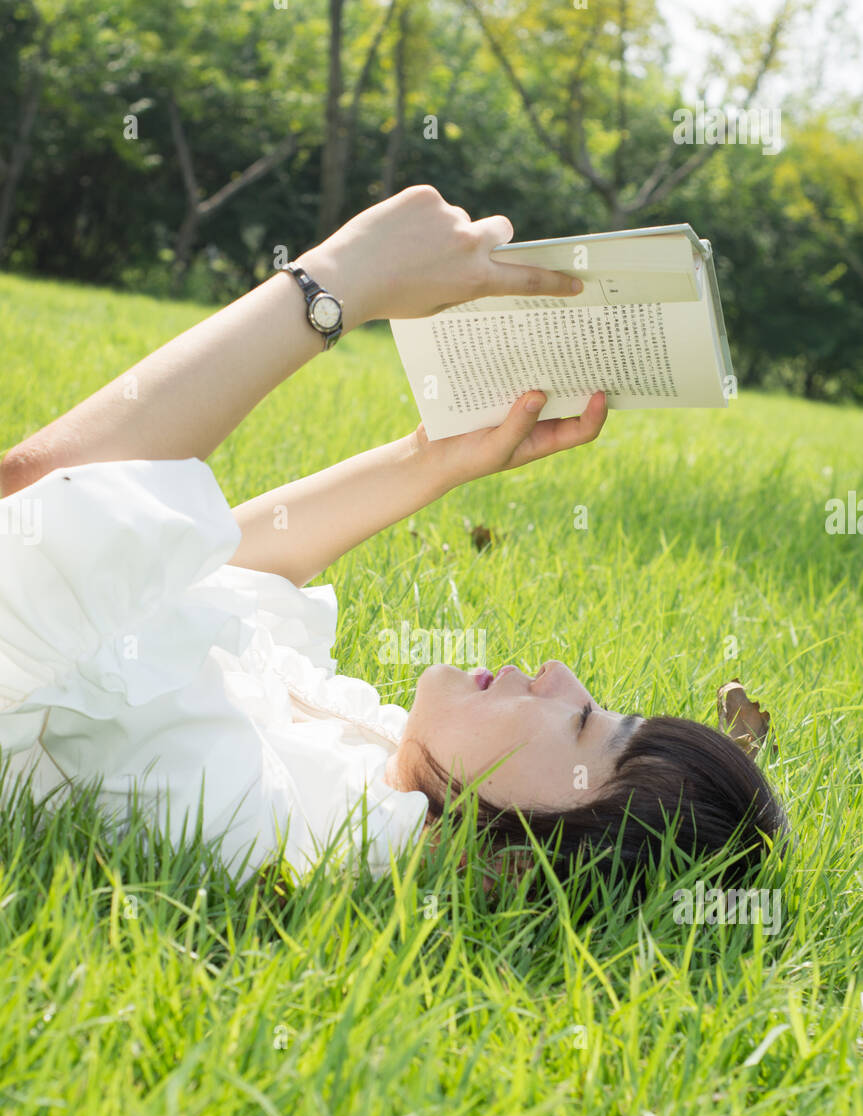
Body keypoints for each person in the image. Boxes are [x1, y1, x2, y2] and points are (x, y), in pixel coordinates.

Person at [0, 185, 786, 885]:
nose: (558, 672)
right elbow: (230, 574)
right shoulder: (376, 773)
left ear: (513, 867)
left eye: (584, 723)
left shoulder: (245, 817)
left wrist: (334, 283)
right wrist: (430, 459)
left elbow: (32, 511)